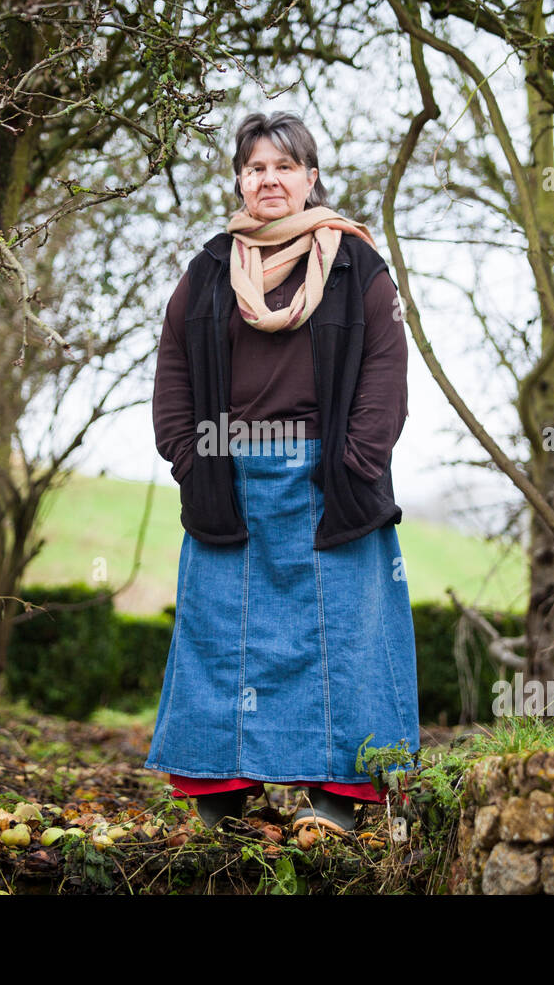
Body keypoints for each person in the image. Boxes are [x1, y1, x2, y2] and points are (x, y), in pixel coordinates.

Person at [146, 110, 419, 834]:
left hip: (333, 484)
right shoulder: (208, 270)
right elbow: (174, 365)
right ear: (240, 179)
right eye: (257, 167)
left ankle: (337, 804)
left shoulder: (359, 265)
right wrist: (188, 454)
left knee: (344, 645)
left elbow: (387, 374)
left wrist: (357, 461)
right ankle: (222, 802)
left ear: (311, 177)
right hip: (229, 481)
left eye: (285, 166)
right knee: (221, 645)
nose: (271, 179)